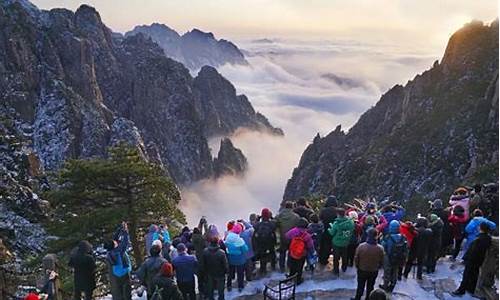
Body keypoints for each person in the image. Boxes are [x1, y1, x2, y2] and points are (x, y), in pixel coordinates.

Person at [452, 222, 492, 296]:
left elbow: (472, 251)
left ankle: (461, 290)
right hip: (480, 260)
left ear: (481, 228)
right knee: (474, 274)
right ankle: (471, 288)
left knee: (466, 275)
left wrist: (466, 258)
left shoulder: (478, 239)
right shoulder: (488, 239)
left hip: (472, 260)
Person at [352, 228, 384, 300]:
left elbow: (356, 258)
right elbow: (381, 261)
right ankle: (368, 298)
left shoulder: (361, 247)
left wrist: (357, 266)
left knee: (360, 286)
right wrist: (378, 267)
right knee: (370, 286)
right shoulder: (380, 248)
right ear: (376, 236)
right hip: (373, 270)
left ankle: (357, 298)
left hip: (362, 269)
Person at [104, 222, 132, 300]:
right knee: (127, 290)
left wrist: (120, 229)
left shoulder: (110, 252)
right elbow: (125, 242)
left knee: (119, 291)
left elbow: (115, 238)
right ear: (114, 245)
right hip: (124, 272)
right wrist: (125, 231)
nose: (116, 241)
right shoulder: (119, 251)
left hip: (116, 273)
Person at [285, 218, 315, 285]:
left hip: (292, 252)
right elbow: (310, 246)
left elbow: (286, 236)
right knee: (299, 267)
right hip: (302, 254)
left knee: (292, 266)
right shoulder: (307, 235)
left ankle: (291, 277)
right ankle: (298, 280)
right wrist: (312, 252)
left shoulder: (293, 231)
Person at [380, 220, 407, 292]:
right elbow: (406, 247)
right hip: (398, 257)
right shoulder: (403, 237)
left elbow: (382, 246)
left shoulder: (387, 237)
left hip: (388, 256)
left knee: (387, 271)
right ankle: (392, 284)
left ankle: (385, 285)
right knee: (395, 270)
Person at [328, 208, 355, 275]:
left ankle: (336, 270)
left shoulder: (336, 223)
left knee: (336, 257)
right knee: (344, 255)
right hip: (346, 241)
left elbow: (332, 233)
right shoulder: (351, 222)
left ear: (338, 214)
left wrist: (329, 228)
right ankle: (344, 267)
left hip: (336, 242)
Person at [225, 222, 248, 292]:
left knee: (230, 273)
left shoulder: (228, 237)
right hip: (239, 259)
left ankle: (228, 285)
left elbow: (226, 245)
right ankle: (240, 287)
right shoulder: (239, 240)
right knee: (240, 273)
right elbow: (245, 249)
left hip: (231, 258)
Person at [276, 203, 300, 272]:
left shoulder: (279, 216)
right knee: (291, 252)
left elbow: (275, 223)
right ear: (292, 207)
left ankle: (282, 267)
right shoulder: (296, 216)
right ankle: (289, 266)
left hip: (283, 237)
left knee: (282, 252)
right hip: (292, 237)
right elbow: (298, 226)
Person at [253, 208, 277, 273]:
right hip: (270, 243)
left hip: (261, 243)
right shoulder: (272, 223)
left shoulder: (258, 224)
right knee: (272, 253)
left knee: (262, 256)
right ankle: (273, 267)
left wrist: (258, 219)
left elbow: (254, 225)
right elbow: (275, 222)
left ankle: (263, 269)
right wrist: (271, 217)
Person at [318, 195, 339, 266]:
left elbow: (320, 219)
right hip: (334, 230)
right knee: (331, 246)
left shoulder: (323, 210)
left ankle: (322, 259)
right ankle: (329, 260)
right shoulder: (337, 211)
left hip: (325, 229)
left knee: (324, 245)